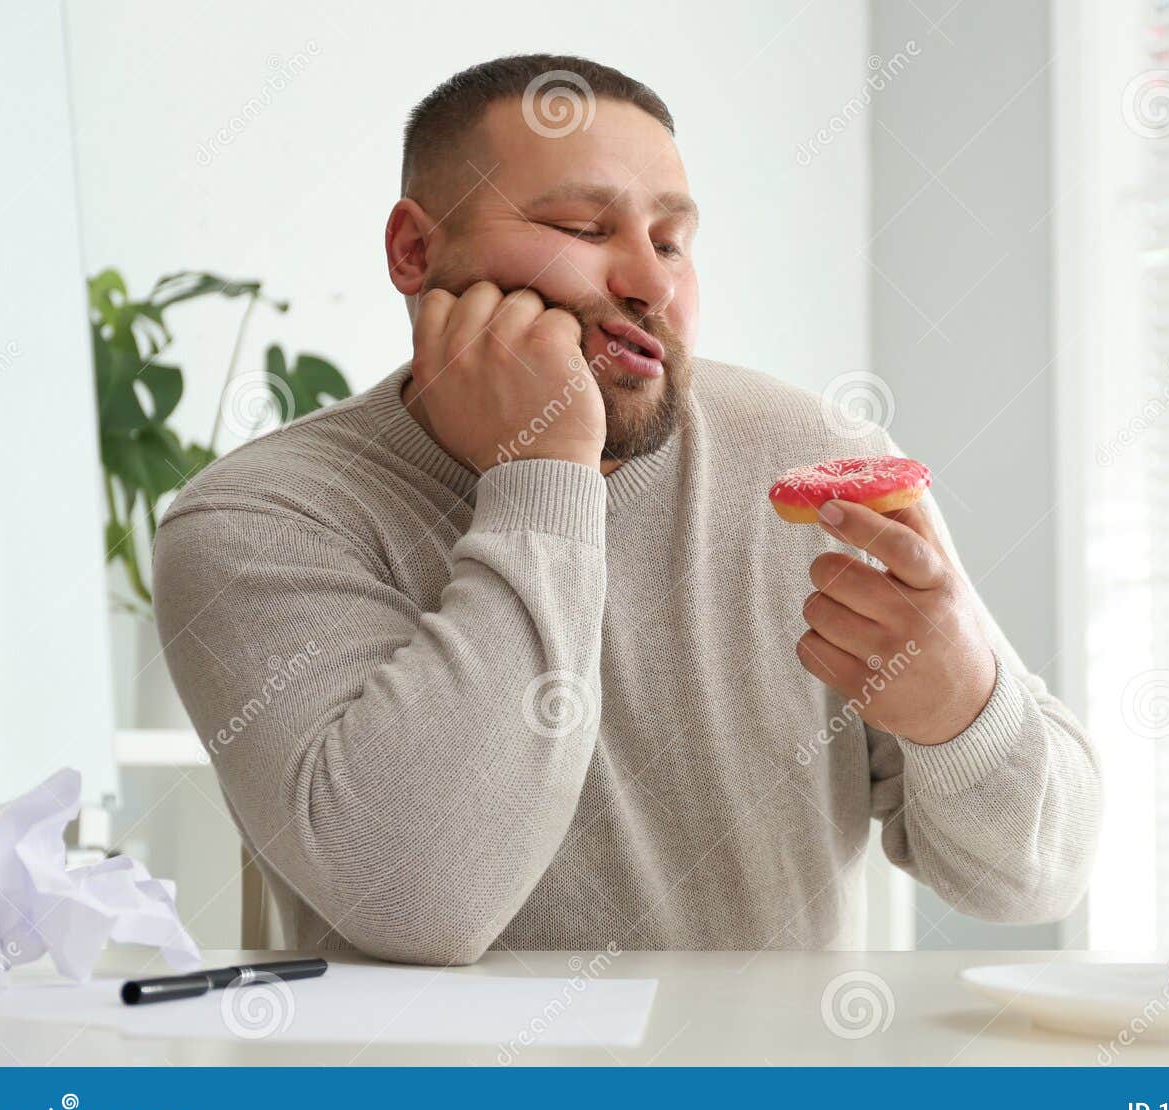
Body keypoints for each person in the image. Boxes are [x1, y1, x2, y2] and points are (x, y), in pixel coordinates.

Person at [152, 54, 1101, 965]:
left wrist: (962, 711)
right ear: (414, 248)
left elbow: (1032, 879)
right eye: (580, 226)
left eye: (672, 241)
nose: (649, 281)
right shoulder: (260, 519)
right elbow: (421, 902)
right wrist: (542, 474)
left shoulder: (817, 464)